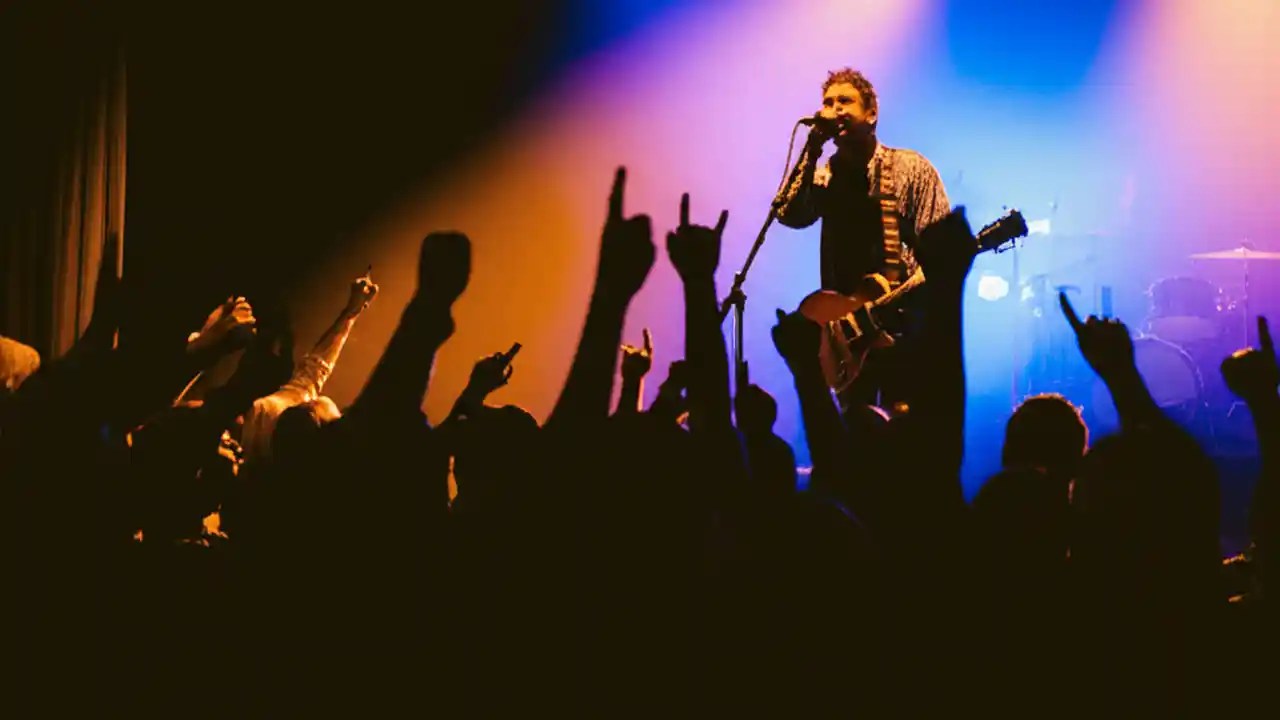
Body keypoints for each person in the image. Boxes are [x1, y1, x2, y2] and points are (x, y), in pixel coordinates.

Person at [774, 68, 951, 409]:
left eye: (845, 101)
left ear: (871, 113)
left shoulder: (910, 169)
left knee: (904, 433)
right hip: (848, 336)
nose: (834, 109)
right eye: (828, 102)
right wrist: (811, 150)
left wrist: (915, 293)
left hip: (905, 330)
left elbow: (941, 247)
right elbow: (789, 215)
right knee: (855, 438)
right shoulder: (825, 177)